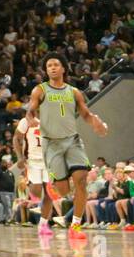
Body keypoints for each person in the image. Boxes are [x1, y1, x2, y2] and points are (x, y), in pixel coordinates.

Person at [25, 53, 108, 240]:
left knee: (81, 179)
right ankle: (59, 182)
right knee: (63, 191)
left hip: (72, 141)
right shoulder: (40, 90)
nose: (52, 68)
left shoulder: (74, 92)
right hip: (51, 144)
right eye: (49, 66)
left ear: (63, 68)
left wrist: (96, 123)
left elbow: (86, 114)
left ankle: (76, 225)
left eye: (56, 64)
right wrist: (30, 119)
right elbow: (30, 110)